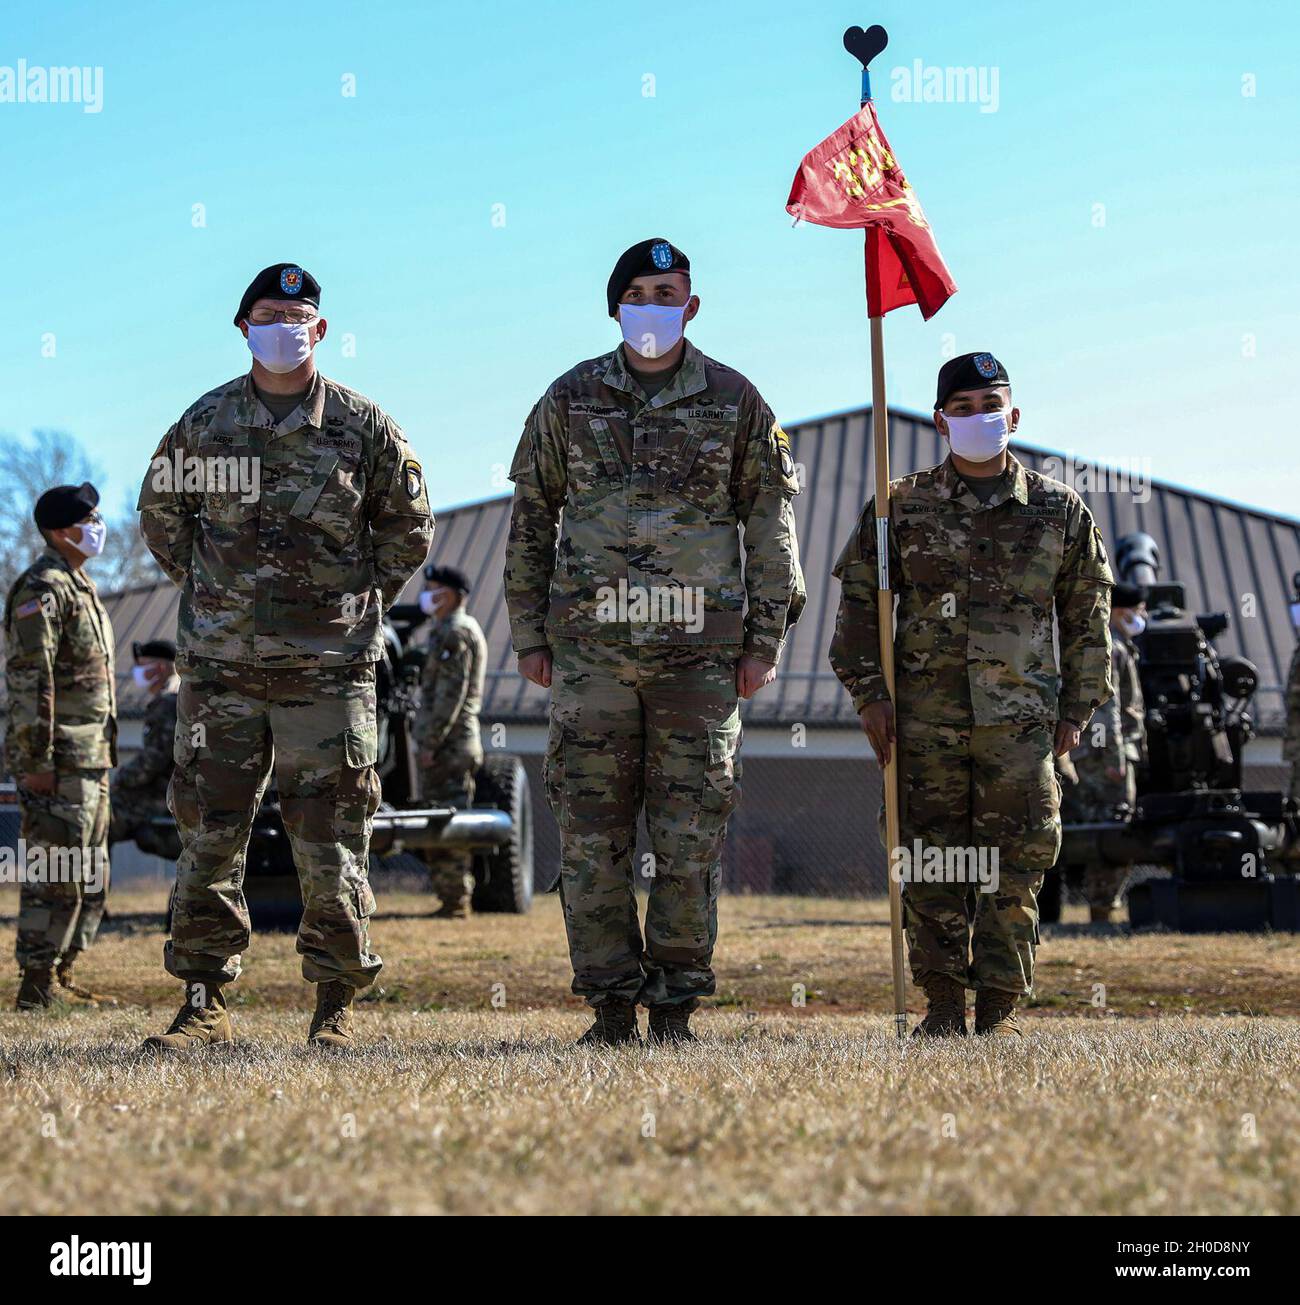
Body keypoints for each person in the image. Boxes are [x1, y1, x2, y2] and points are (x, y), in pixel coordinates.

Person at [504, 238, 805, 1045]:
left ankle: (673, 1005)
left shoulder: (737, 401)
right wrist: (530, 634)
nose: (652, 304)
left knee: (690, 832)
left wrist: (763, 641)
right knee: (591, 835)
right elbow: (532, 520)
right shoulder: (568, 399)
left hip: (699, 660)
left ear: (691, 306)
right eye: (637, 291)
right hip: (592, 656)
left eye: (666, 291)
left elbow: (771, 529)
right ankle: (608, 1005)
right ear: (616, 307)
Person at [136, 262, 433, 1052]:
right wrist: (216, 599)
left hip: (329, 671)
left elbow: (408, 528)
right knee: (209, 830)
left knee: (331, 832)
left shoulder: (364, 428)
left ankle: (334, 1004)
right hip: (221, 669)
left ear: (321, 330)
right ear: (243, 327)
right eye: (268, 313)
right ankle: (203, 1005)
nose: (283, 326)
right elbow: (162, 519)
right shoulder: (204, 425)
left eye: (297, 314)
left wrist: (349, 608)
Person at [830, 351, 1114, 1038]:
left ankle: (996, 1007)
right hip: (923, 727)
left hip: (1021, 731)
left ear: (1013, 415)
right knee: (929, 864)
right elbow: (859, 607)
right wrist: (870, 693)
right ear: (939, 421)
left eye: (990, 406)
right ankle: (942, 1005)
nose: (978, 418)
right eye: (962, 408)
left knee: (1013, 870)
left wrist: (1076, 710)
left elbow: (1087, 618)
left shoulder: (1058, 510)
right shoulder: (900, 506)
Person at [5, 483, 117, 1009]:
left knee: (89, 873)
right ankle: (35, 983)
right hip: (59, 759)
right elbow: (31, 680)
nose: (97, 526)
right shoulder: (42, 589)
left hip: (92, 758)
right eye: (86, 519)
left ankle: (63, 971)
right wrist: (36, 760)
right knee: (55, 871)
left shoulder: (80, 585)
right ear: (57, 531)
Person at [1059, 583, 1148, 923]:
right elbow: (1106, 707)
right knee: (1113, 828)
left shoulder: (1111, 644)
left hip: (1098, 753)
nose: (1141, 617)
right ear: (1120, 611)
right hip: (1106, 756)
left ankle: (1102, 905)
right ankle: (1103, 908)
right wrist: (1115, 759)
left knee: (1102, 826)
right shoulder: (1111, 646)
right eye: (1137, 610)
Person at [414, 564, 487, 918]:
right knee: (441, 817)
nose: (428, 596)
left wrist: (430, 742)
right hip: (450, 742)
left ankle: (456, 900)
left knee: (449, 819)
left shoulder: (455, 632)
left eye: (435, 589)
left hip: (450, 744)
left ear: (455, 594)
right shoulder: (446, 629)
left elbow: (450, 696)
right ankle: (449, 898)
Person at [109, 640, 180, 858]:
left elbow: (153, 761)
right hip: (174, 792)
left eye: (142, 667)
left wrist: (120, 778)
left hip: (164, 798)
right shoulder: (181, 694)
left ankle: (91, 890)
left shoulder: (168, 702)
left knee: (100, 821)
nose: (138, 674)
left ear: (159, 669)